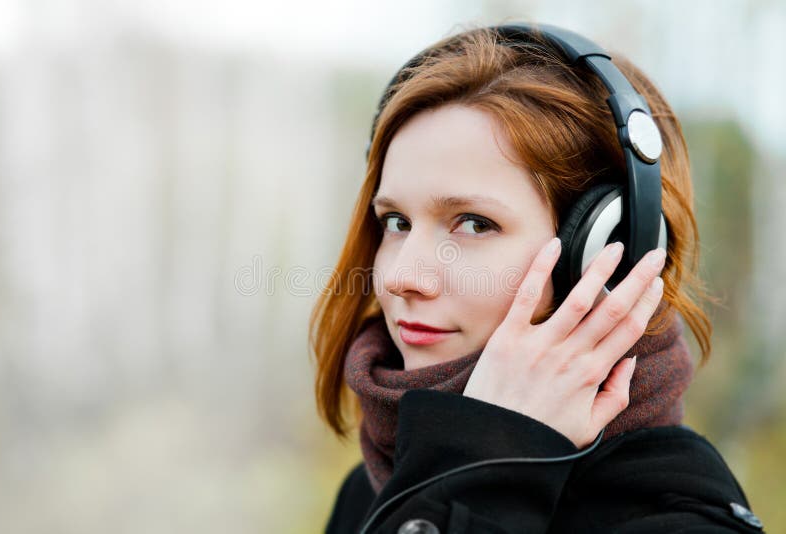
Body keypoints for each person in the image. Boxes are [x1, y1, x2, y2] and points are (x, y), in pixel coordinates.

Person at [310, 22, 765, 533]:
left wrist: (487, 461)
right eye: (396, 222)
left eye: (475, 224)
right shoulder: (370, 492)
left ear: (608, 253)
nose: (403, 277)